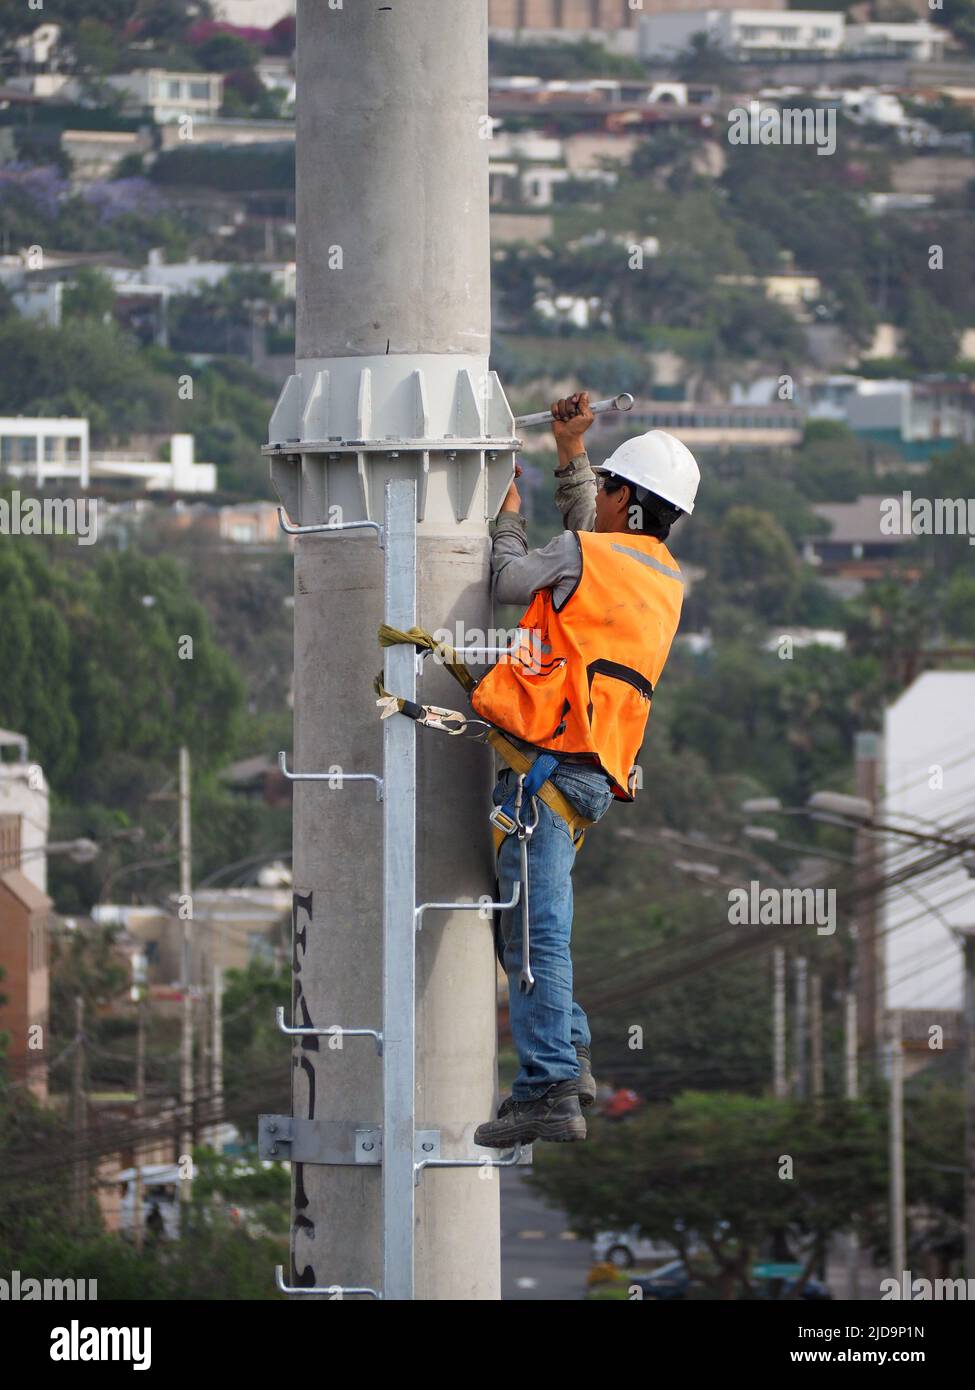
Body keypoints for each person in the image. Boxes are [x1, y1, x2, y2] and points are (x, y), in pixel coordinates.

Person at [470, 391, 700, 1147]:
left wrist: (505, 512)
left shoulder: (586, 555)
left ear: (627, 497)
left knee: (536, 938)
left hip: (547, 774)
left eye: (605, 483)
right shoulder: (661, 581)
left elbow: (509, 579)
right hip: (590, 777)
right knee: (535, 929)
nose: (595, 494)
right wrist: (570, 453)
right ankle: (569, 1057)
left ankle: (546, 1085)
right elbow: (584, 541)